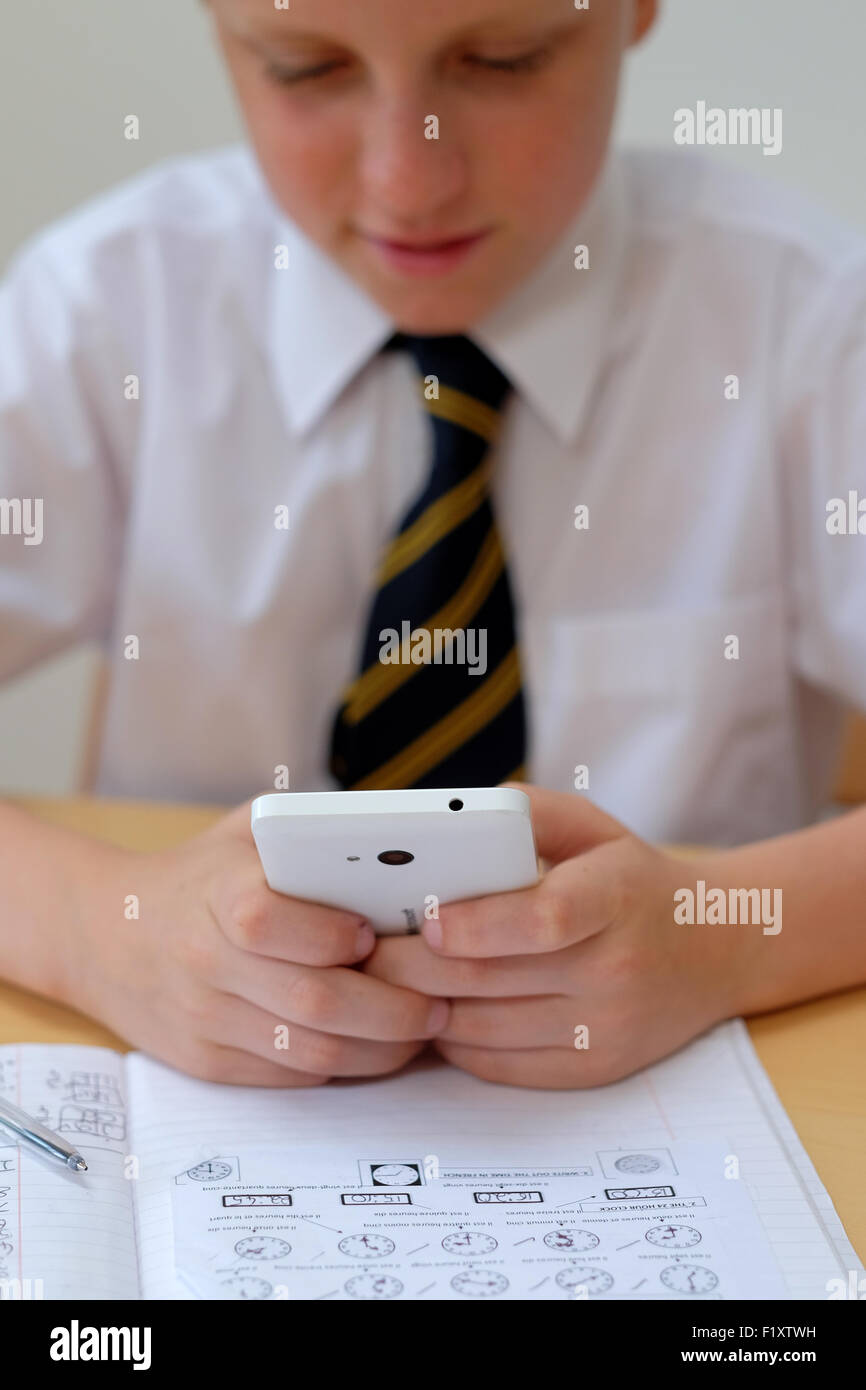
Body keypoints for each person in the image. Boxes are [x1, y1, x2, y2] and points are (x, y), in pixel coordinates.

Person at [1, 0, 865, 1089]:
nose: (406, 183)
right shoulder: (106, 315)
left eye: (502, 60)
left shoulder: (805, 328)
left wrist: (724, 936)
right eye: (305, 68)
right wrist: (97, 930)